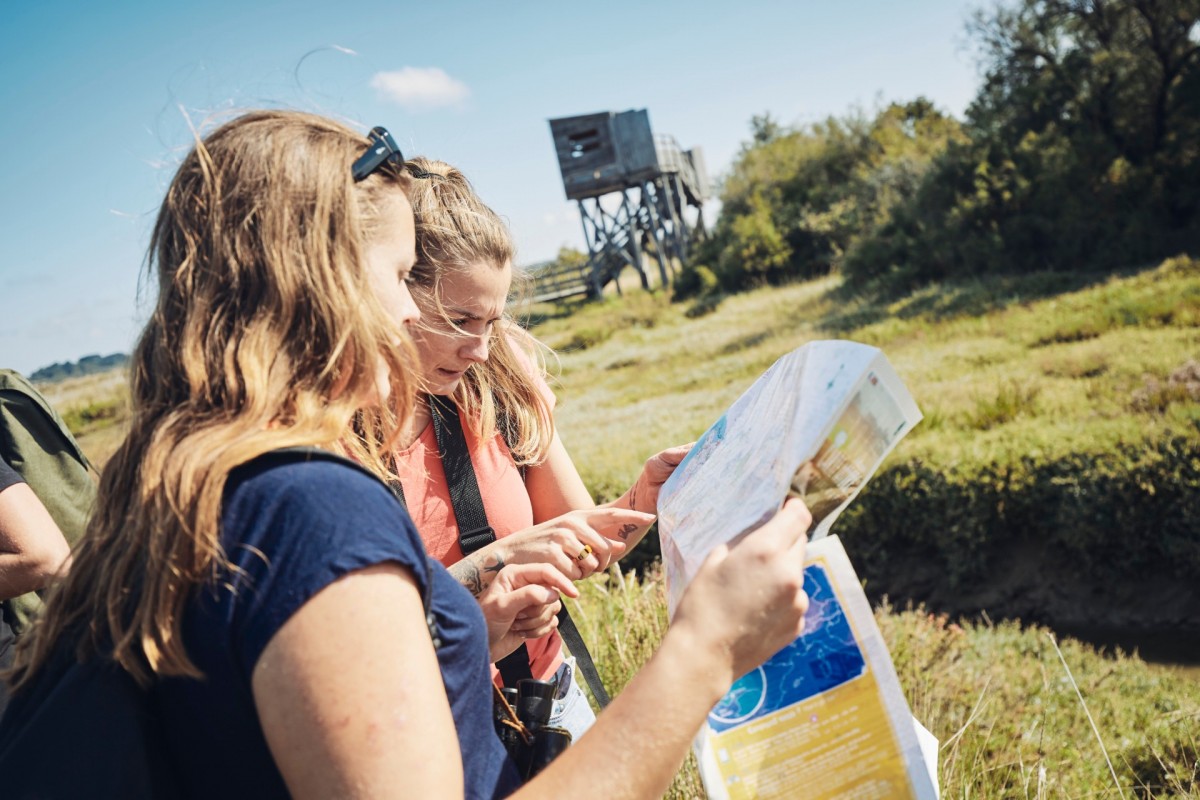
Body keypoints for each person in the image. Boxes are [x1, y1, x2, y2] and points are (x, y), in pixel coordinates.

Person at [5, 110, 813, 799]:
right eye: (397, 275)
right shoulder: (310, 510)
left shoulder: (192, 482)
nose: (406, 309)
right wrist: (706, 651)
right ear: (323, 283)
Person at [392, 156, 687, 738]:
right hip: (433, 729)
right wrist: (499, 560)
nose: (478, 348)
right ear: (393, 293)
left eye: (492, 323)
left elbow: (577, 537)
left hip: (548, 703)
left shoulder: (499, 380)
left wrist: (645, 495)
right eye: (458, 320)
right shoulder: (327, 437)